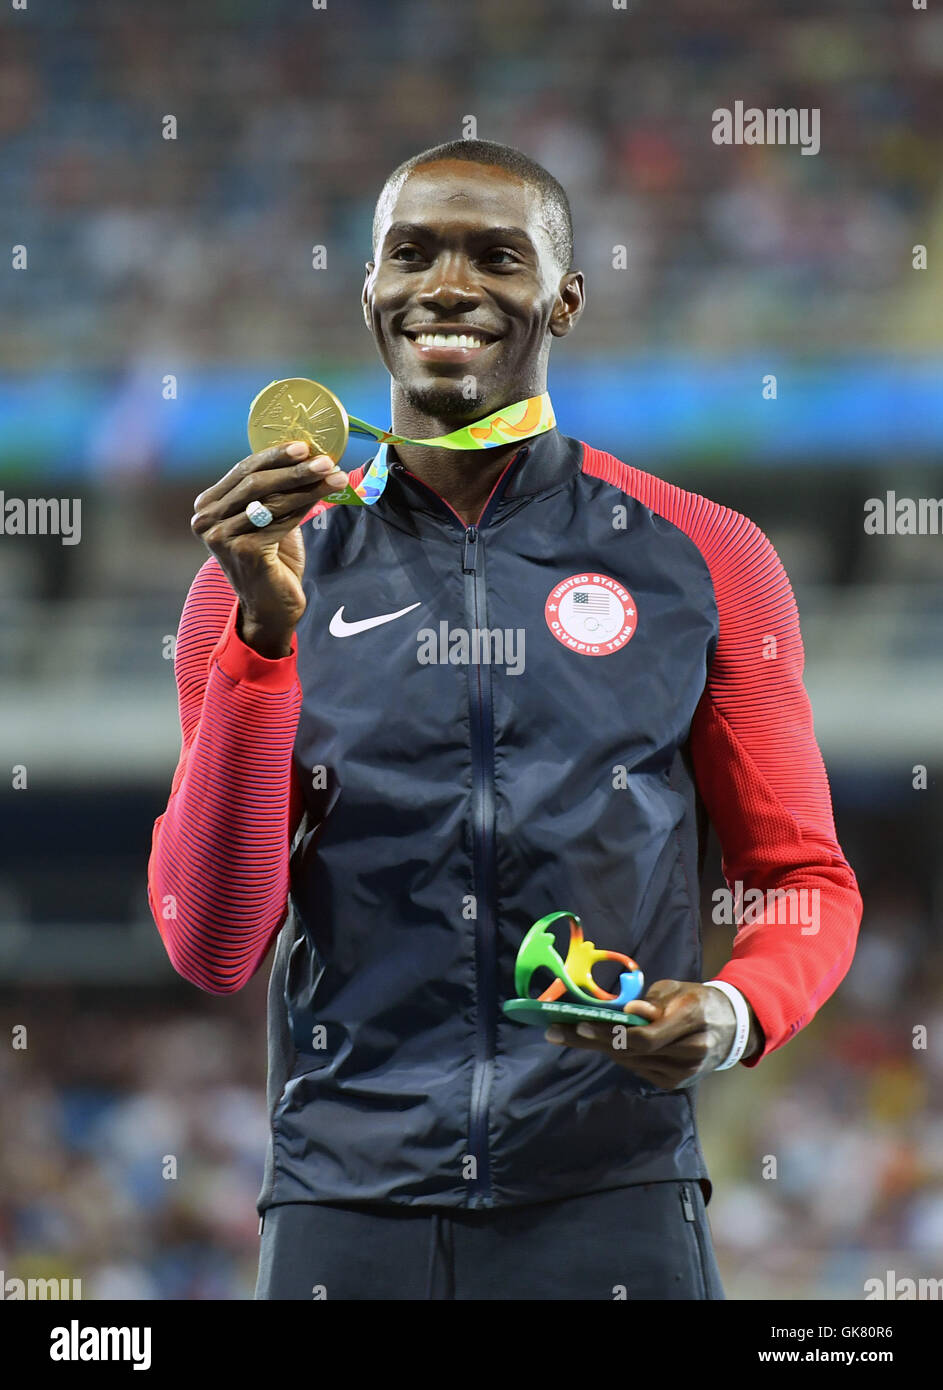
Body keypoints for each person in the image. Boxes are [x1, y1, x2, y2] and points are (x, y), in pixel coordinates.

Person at [147, 139, 863, 1300]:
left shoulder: (706, 557)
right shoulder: (259, 576)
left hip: (613, 1200)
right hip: (344, 1207)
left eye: (496, 255)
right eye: (412, 253)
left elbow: (803, 879)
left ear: (564, 298)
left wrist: (733, 1011)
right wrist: (263, 647)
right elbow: (213, 944)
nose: (448, 286)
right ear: (369, 290)